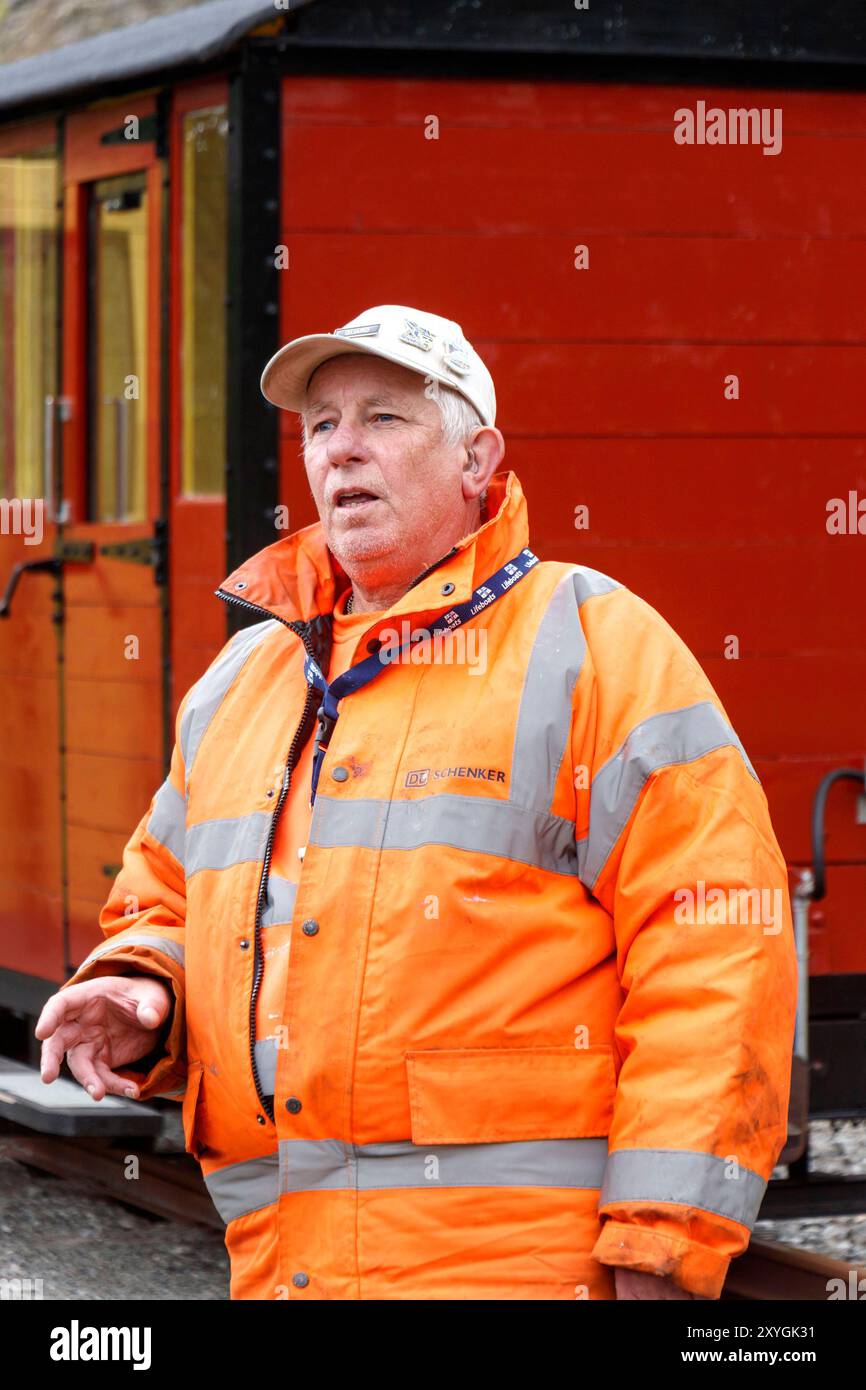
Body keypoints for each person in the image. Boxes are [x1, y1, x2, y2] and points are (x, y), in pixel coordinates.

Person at [36, 304, 798, 1301]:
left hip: (517, 1275)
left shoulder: (595, 645)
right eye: (320, 425)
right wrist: (147, 986)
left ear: (477, 457)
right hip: (285, 1271)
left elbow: (715, 948)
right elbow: (167, 897)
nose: (341, 448)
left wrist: (660, 1247)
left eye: (383, 418)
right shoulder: (242, 681)